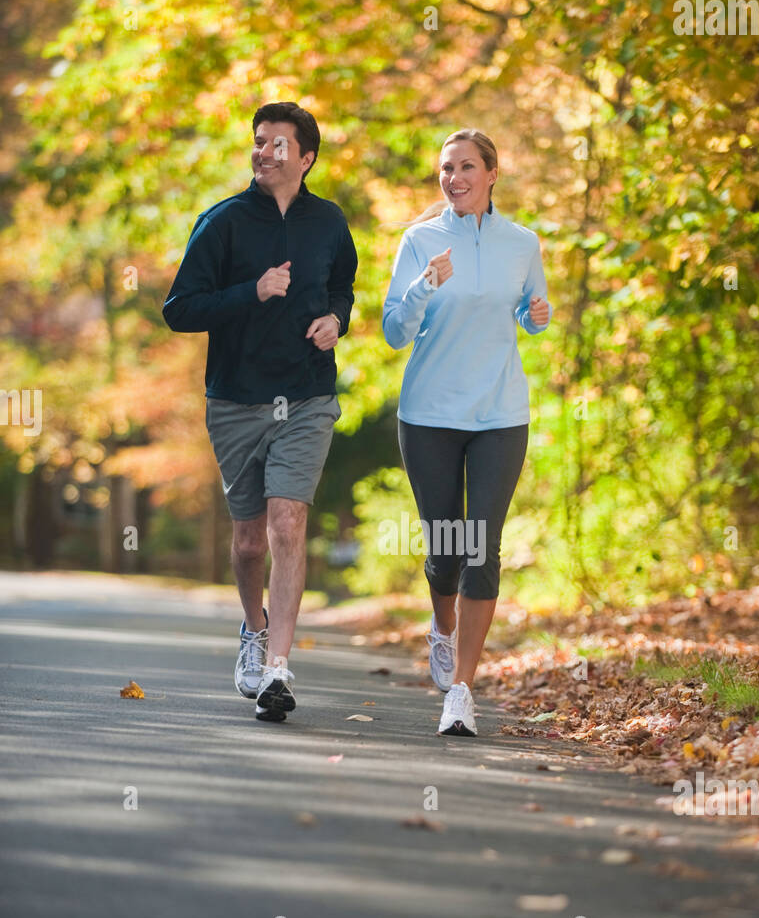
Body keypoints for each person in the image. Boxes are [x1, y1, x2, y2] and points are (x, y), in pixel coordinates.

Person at [163, 102, 358, 721]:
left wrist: (337, 321)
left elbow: (343, 286)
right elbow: (180, 310)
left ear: (306, 159)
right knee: (249, 542)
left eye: (279, 145)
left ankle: (278, 668)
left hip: (306, 396)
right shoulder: (221, 223)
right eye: (259, 142)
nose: (265, 152)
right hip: (237, 399)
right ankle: (253, 628)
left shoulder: (329, 222)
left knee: (287, 523)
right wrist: (252, 291)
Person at [382, 129, 551, 736]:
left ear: (492, 174)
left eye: (465, 167)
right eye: (445, 170)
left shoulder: (523, 243)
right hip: (428, 415)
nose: (454, 178)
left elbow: (529, 312)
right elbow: (395, 333)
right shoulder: (420, 240)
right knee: (445, 551)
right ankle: (443, 626)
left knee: (482, 547)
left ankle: (461, 692)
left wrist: (536, 316)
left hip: (500, 415)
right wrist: (423, 285)